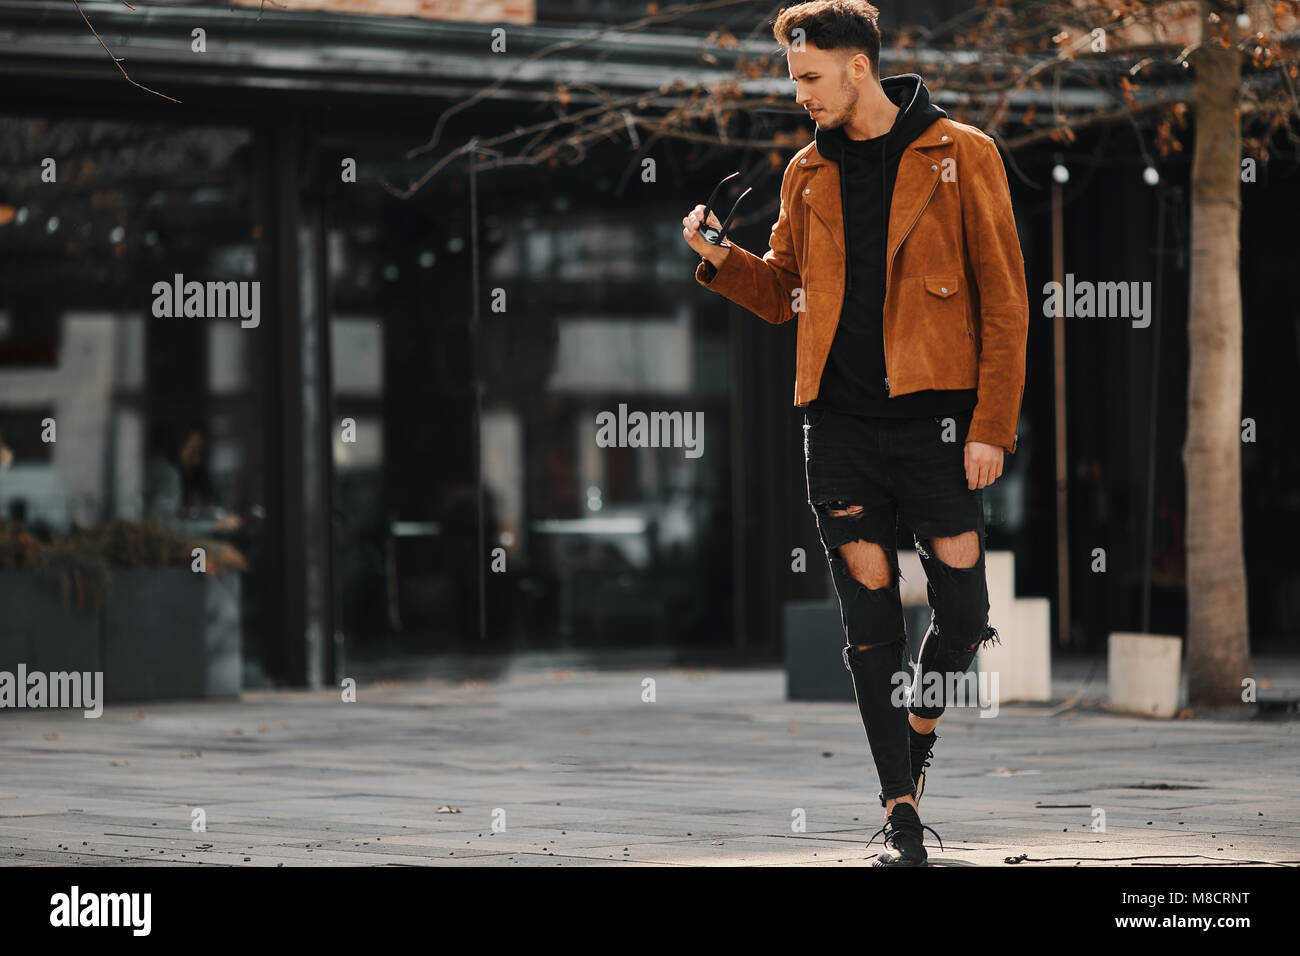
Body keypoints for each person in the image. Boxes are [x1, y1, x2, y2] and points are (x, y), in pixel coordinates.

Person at [682, 0, 1028, 866]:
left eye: (808, 78)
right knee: (869, 626)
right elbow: (782, 295)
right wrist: (721, 257)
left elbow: (1008, 304)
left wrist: (991, 425)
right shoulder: (806, 172)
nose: (799, 94)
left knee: (963, 614)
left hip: (940, 426)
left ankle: (918, 728)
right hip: (837, 427)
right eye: (793, 78)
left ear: (857, 67)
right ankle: (900, 812)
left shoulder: (964, 154)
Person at [144, 419, 244, 537]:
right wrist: (216, 525)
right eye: (193, 452)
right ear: (179, 448)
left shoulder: (152, 465)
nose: (197, 461)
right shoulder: (169, 474)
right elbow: (163, 525)